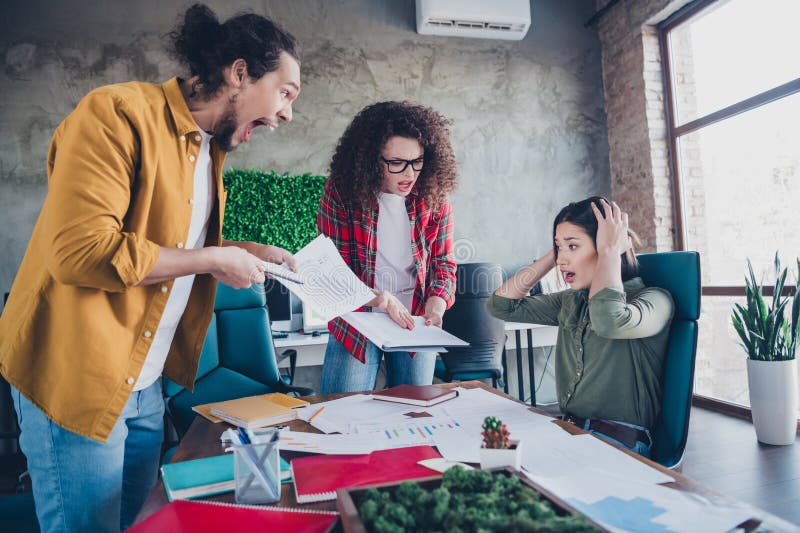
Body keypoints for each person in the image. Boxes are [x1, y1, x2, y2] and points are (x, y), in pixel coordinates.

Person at [0, 4, 301, 531]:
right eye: (286, 92)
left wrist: (242, 249)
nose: (287, 114)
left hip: (145, 386)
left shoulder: (207, 152)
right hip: (77, 376)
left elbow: (160, 243)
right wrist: (211, 258)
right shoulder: (115, 112)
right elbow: (82, 250)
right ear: (238, 73)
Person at [487, 197, 674, 457]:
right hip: (569, 431)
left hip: (620, 443)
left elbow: (609, 320)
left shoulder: (655, 299)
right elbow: (501, 306)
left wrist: (610, 252)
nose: (562, 260)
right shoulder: (571, 301)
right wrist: (554, 255)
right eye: (558, 248)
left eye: (573, 246)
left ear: (608, 245)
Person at [317, 101, 458, 393]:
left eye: (417, 161)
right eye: (396, 163)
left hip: (416, 320)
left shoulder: (434, 196)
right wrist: (380, 300)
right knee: (344, 412)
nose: (409, 174)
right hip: (358, 318)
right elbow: (333, 273)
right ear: (370, 159)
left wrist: (437, 301)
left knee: (412, 412)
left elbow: (443, 262)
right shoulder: (341, 194)